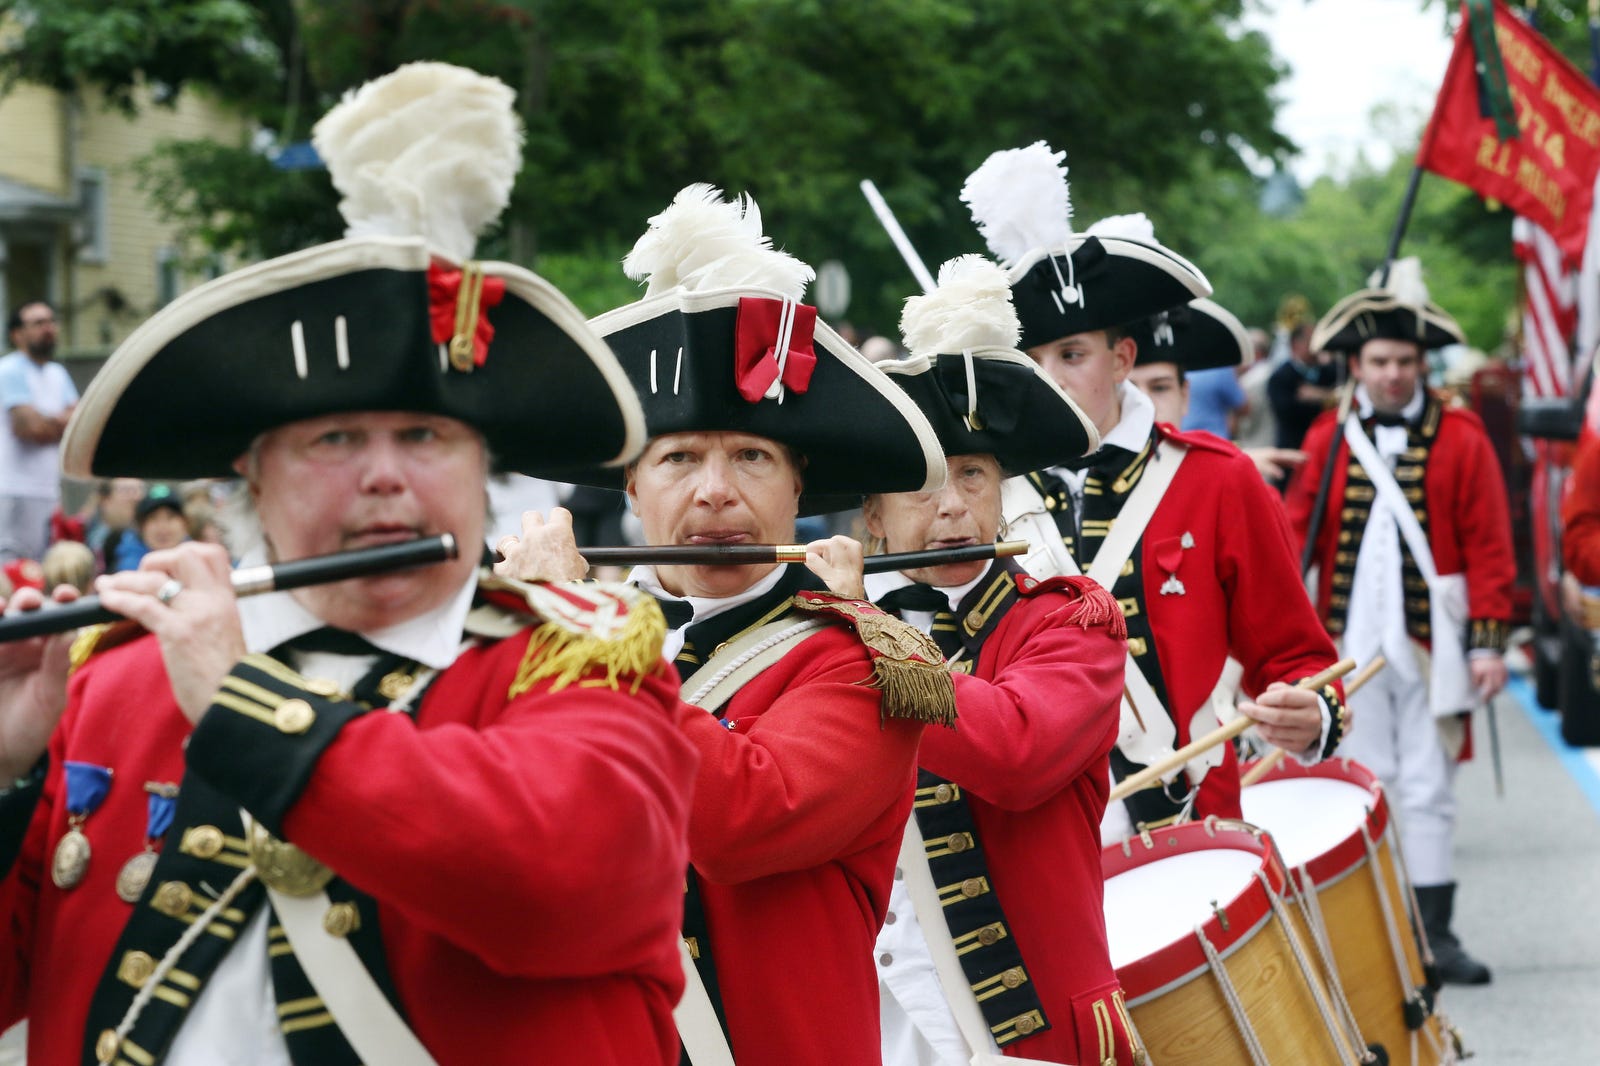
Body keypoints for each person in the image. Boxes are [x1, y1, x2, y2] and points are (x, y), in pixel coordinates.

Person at [0, 62, 697, 1065]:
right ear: (251, 471)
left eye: (424, 436)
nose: (384, 479)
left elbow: (560, 887)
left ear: (480, 469)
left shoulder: (582, 665)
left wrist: (240, 702)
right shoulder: (114, 677)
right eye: (333, 441)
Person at [500, 183, 952, 1066]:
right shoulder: (550, 643)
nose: (714, 490)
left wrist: (571, 627)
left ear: (797, 488)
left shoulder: (865, 660)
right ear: (629, 486)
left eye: (751, 456)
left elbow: (738, 818)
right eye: (677, 458)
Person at [961, 143, 1347, 840]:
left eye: (1072, 355)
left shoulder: (1217, 479)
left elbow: (1298, 656)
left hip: (1191, 828)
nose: (1050, 377)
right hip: (1038, 843)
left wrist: (1313, 711)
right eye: (1031, 359)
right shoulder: (979, 493)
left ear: (1123, 359)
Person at [861, 256, 1141, 1066]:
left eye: (973, 475)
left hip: (1029, 1031)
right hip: (878, 1018)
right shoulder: (833, 633)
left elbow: (1014, 752)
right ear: (873, 515)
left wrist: (858, 632)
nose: (951, 505)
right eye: (921, 486)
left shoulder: (1068, 620)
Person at [1288, 259, 1515, 987]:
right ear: (1357, 364)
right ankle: (1372, 934)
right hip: (1347, 646)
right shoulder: (1329, 437)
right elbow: (1292, 534)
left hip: (1432, 645)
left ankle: (1435, 936)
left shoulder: (1463, 436)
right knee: (1359, 781)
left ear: (1423, 364)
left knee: (1428, 786)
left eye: (1405, 361)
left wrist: (1487, 644)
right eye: (1379, 361)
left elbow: (1488, 543)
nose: (1392, 374)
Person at [0, 301, 78, 562]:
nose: (48, 329)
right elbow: (29, 427)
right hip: (14, 490)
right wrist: (60, 421)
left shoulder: (58, 373)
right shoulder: (9, 370)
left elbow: (80, 423)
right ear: (17, 334)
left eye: (50, 322)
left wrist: (48, 420)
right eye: (37, 323)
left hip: (48, 490)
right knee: (13, 568)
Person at [1268, 320, 1337, 451]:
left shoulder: (1331, 371)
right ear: (1295, 344)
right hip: (1294, 447)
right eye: (1311, 340)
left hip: (1326, 447)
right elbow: (1287, 413)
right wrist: (1328, 399)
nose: (1317, 346)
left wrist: (1319, 395)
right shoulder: (1281, 376)